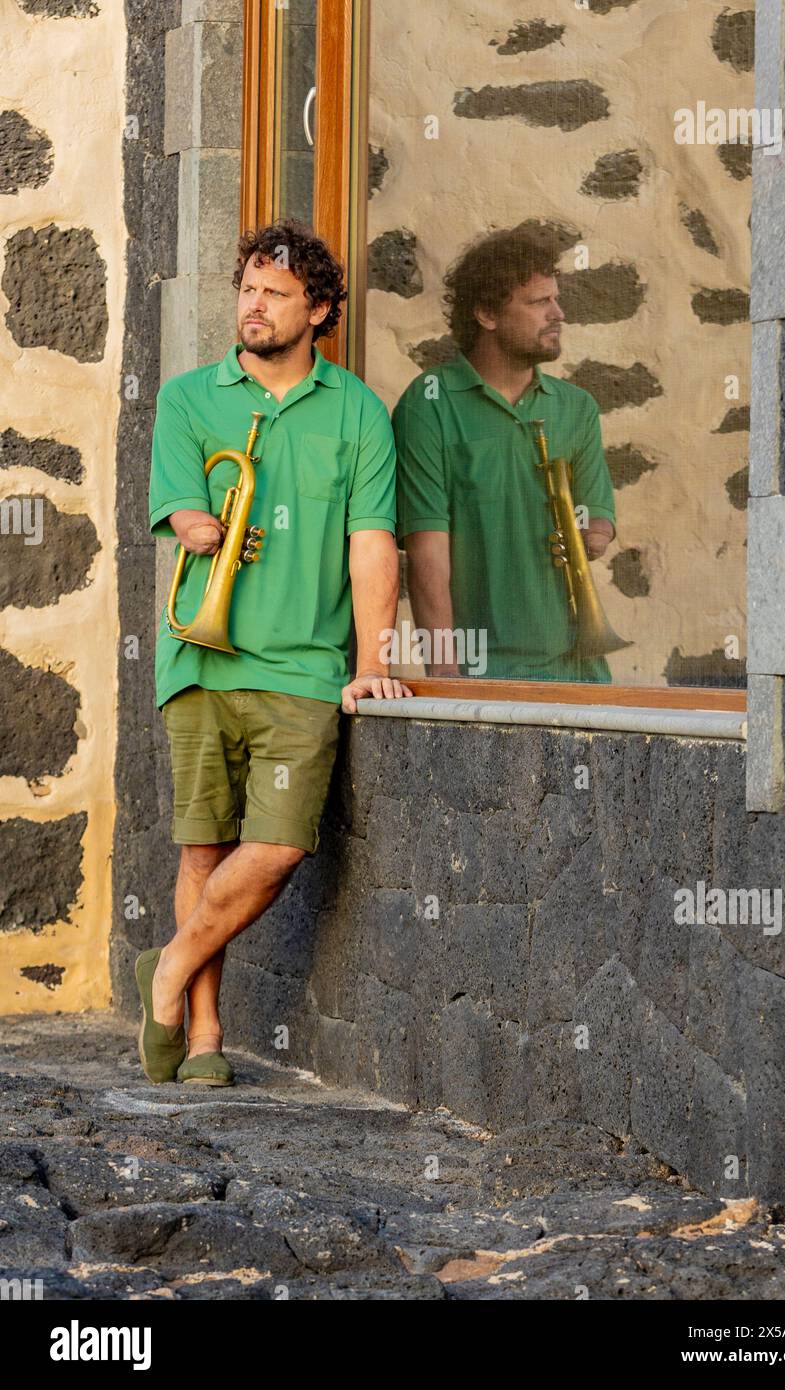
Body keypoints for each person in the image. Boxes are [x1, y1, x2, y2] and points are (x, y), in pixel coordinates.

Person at [141, 218, 411, 1086]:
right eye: (247, 289)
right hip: (202, 660)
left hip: (303, 666)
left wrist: (373, 657)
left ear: (320, 308)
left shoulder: (358, 410)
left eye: (275, 292)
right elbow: (179, 506)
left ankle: (171, 969)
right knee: (201, 850)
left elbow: (372, 542)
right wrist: (200, 525)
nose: (253, 306)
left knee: (281, 846)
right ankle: (206, 1037)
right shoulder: (189, 397)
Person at [393, 224, 617, 682]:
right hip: (483, 669)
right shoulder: (429, 404)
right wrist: (444, 674)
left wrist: (591, 534)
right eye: (539, 303)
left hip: (578, 669)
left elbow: (598, 521)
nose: (559, 314)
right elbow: (427, 554)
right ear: (486, 315)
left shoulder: (576, 407)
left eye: (555, 299)